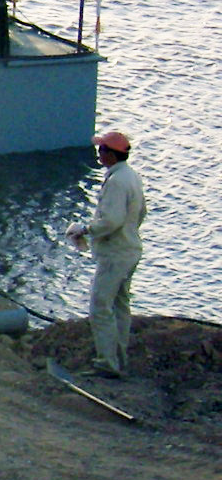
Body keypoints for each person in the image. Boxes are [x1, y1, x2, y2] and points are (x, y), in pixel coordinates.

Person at [65, 129, 147, 379]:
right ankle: (120, 359)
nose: (99, 154)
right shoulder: (131, 176)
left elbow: (111, 220)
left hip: (115, 255)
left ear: (111, 154)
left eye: (102, 150)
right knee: (120, 305)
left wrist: (86, 229)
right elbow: (141, 212)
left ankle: (107, 364)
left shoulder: (116, 181)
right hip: (130, 249)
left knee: (100, 307)